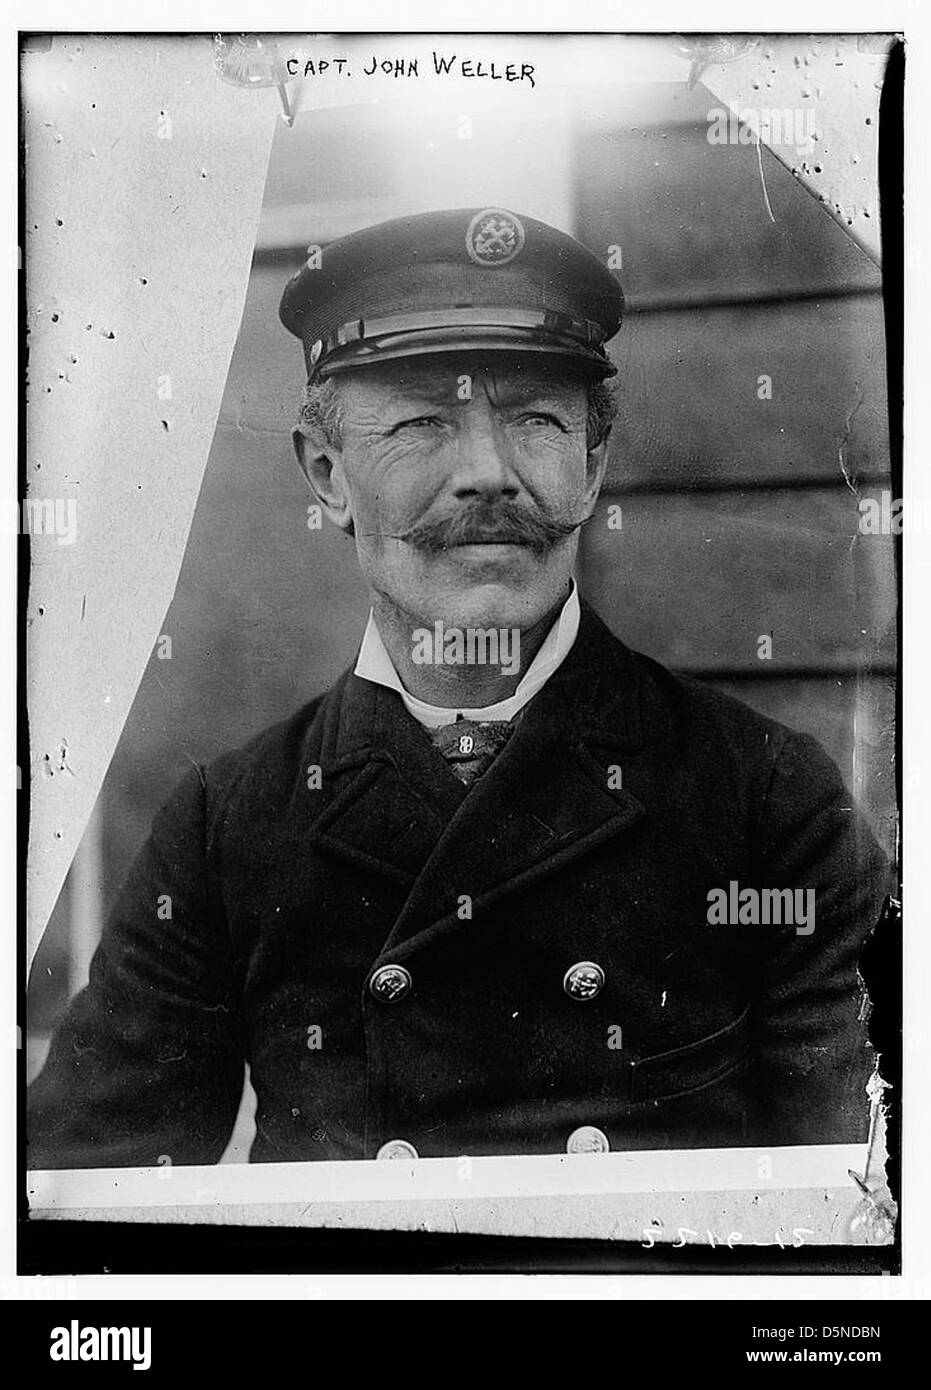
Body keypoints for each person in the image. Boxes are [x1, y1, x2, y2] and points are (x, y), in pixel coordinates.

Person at [27, 207, 890, 1169]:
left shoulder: (766, 800)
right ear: (327, 475)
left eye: (534, 418)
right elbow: (79, 1196)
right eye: (422, 422)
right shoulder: (223, 828)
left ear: (593, 462)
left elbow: (864, 1196)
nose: (487, 475)